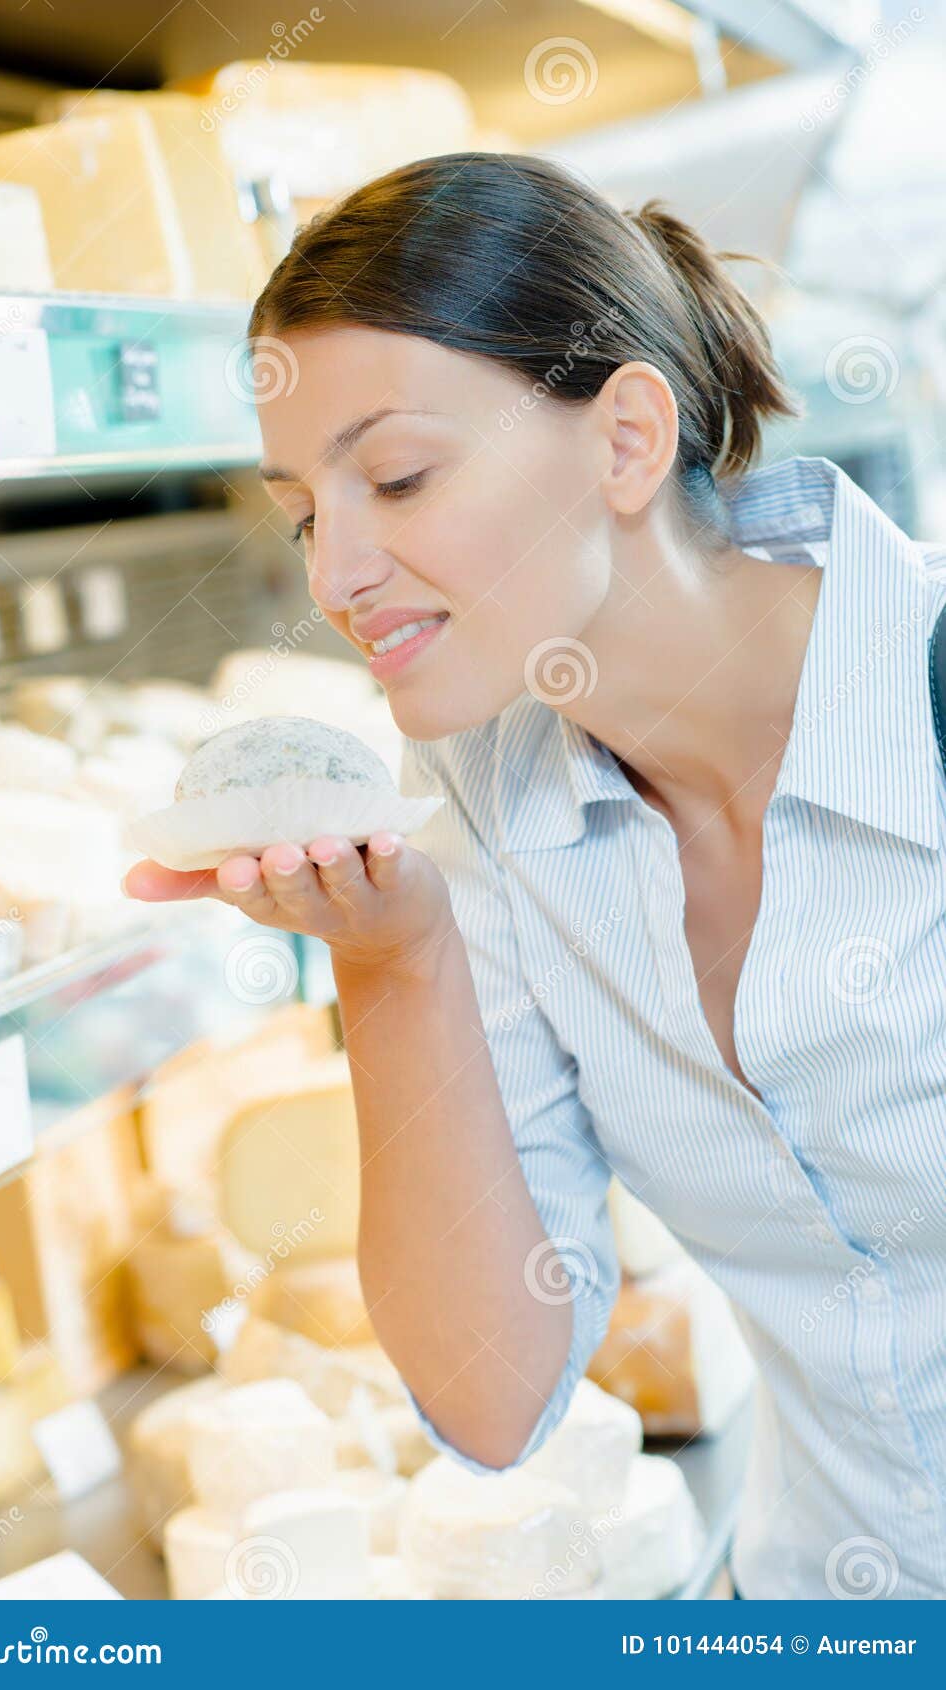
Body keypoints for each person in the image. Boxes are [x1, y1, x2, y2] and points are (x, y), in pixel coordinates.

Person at [126, 153, 946, 1600]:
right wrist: (394, 961)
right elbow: (493, 1396)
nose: (336, 574)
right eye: (306, 512)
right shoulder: (488, 800)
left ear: (627, 438)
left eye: (398, 475)